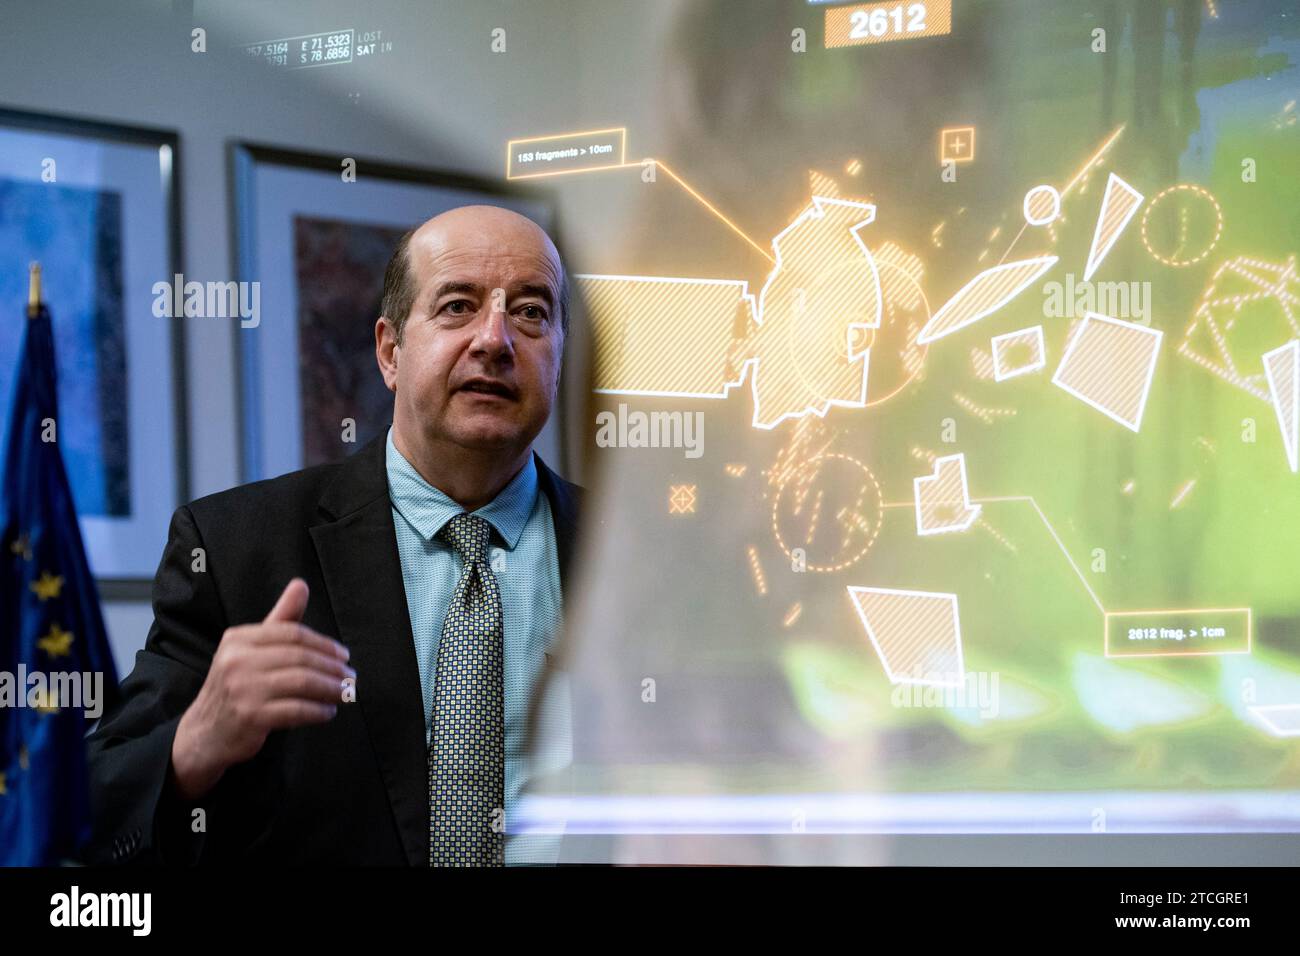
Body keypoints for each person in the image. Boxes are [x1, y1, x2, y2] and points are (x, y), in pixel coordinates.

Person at [87, 205, 581, 866]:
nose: (495, 339)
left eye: (529, 312)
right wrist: (197, 740)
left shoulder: (636, 559)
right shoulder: (236, 550)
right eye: (458, 306)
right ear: (389, 352)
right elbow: (96, 800)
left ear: (557, 355)